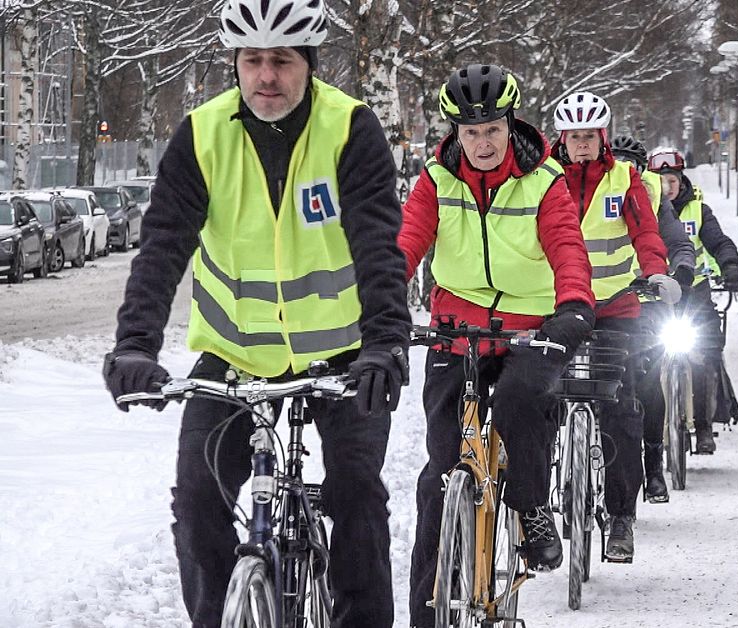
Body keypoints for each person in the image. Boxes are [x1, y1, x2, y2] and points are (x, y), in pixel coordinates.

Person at [101, 1, 411, 625]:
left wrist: (386, 343)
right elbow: (163, 246)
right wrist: (135, 344)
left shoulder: (349, 129)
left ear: (310, 63)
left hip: (343, 355)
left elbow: (378, 246)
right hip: (234, 356)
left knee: (355, 497)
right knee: (197, 502)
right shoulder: (203, 135)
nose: (266, 76)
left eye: (282, 60)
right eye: (252, 60)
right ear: (236, 62)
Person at [398, 64, 595, 628]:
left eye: (492, 130)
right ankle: (426, 616)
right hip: (455, 330)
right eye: (471, 133)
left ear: (510, 126)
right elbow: (406, 241)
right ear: (456, 134)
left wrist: (574, 306)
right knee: (439, 475)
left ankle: (530, 507)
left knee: (520, 400)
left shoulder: (544, 179)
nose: (482, 143)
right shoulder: (437, 180)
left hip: (530, 329)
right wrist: (379, 302)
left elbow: (566, 246)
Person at [550, 93, 678, 562]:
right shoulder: (542, 177)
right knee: (539, 398)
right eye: (574, 137)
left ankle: (621, 516)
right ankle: (536, 507)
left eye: (589, 136)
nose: (582, 145)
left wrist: (656, 272)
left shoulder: (626, 179)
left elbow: (646, 233)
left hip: (617, 306)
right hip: (558, 305)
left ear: (602, 137)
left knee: (621, 408)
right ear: (562, 139)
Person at [610, 134, 695, 504]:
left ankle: (653, 465)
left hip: (649, 302)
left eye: (631, 164)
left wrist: (683, 268)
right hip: (602, 302)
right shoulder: (591, 192)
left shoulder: (654, 197)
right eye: (618, 162)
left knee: (647, 383)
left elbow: (677, 241)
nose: (625, 170)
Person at [647, 149, 738, 455]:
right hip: (657, 299)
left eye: (672, 180)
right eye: (661, 181)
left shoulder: (699, 211)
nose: (667, 187)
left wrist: (731, 266)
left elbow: (719, 242)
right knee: (642, 361)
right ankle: (645, 430)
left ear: (682, 181)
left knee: (705, 356)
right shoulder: (643, 207)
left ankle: (704, 426)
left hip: (696, 299)